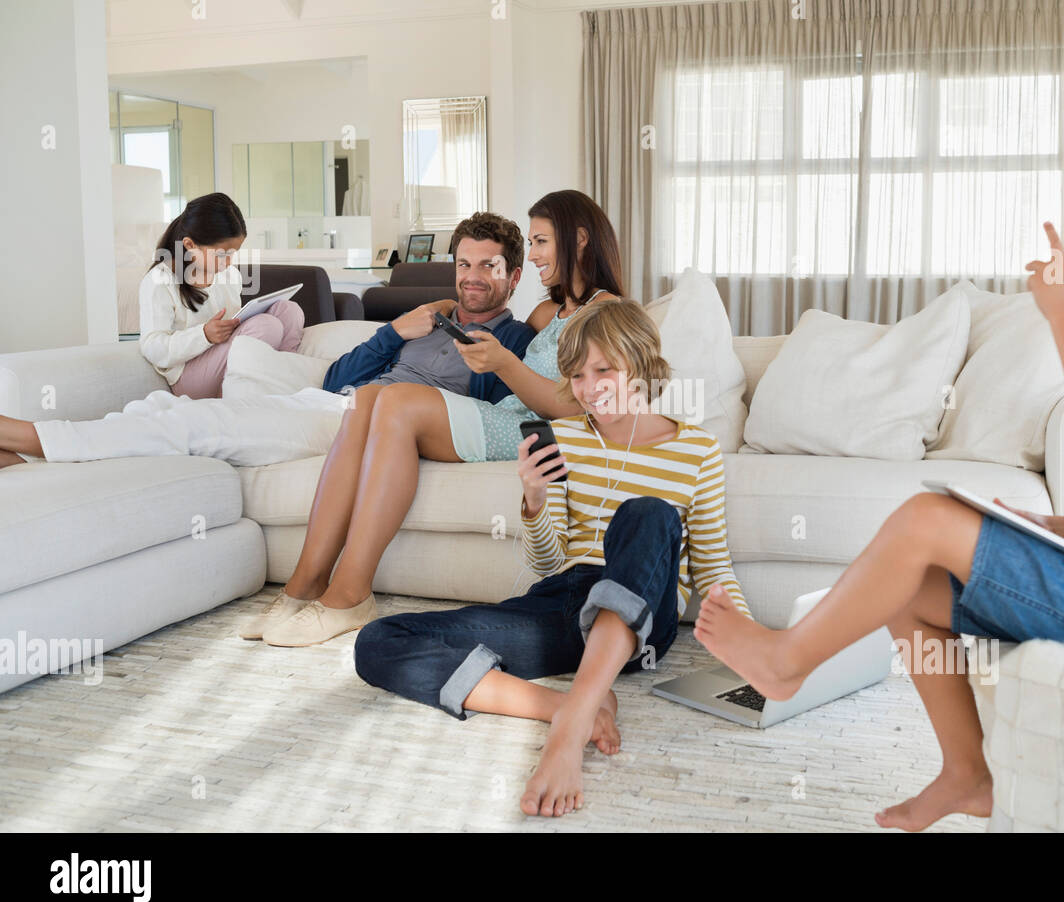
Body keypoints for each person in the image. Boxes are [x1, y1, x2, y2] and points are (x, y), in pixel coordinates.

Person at [692, 154, 1064, 832]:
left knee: (925, 520)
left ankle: (786, 660)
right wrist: (1041, 526)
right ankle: (966, 771)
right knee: (906, 581)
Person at [353, 298, 753, 817]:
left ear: (642, 362)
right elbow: (548, 563)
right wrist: (535, 501)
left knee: (648, 513)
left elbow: (715, 569)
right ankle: (565, 706)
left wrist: (753, 650)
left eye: (604, 369)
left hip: (643, 620)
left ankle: (568, 732)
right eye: (578, 375)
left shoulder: (697, 450)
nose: (590, 388)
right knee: (378, 641)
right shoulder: (561, 438)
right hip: (565, 604)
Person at [260, 190, 623, 648]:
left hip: (534, 431)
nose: (533, 256)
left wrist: (503, 363)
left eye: (541, 242)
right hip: (502, 415)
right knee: (368, 395)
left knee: (396, 401)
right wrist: (436, 317)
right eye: (531, 243)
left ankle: (351, 592)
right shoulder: (548, 312)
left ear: (580, 240)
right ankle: (305, 582)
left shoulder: (609, 313)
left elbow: (579, 407)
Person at [0, 213, 535, 482]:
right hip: (332, 404)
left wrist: (493, 359)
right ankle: (32, 465)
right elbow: (334, 377)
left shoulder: (515, 341)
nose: (471, 278)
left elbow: (491, 416)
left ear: (512, 276)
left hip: (368, 424)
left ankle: (26, 437)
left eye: (487, 267)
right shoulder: (424, 319)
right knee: (168, 408)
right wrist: (396, 332)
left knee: (197, 425)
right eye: (464, 264)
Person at [141, 192, 304, 399]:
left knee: (289, 310)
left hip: (225, 359)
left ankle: (284, 384)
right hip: (189, 374)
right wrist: (204, 335)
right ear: (190, 245)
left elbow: (236, 333)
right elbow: (152, 347)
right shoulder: (160, 280)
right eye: (221, 254)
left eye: (233, 253)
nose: (228, 262)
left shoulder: (229, 275)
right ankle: (235, 400)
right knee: (266, 326)